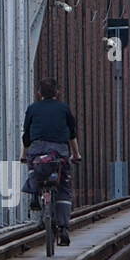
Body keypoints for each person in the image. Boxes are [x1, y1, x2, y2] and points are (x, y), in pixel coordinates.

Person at [20, 78, 82, 246]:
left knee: (33, 168)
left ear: (39, 93)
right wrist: (76, 154)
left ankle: (34, 195)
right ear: (57, 92)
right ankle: (63, 229)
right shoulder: (64, 108)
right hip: (59, 152)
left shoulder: (32, 108)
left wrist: (24, 156)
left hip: (37, 149)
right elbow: (71, 134)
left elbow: (26, 135)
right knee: (63, 187)